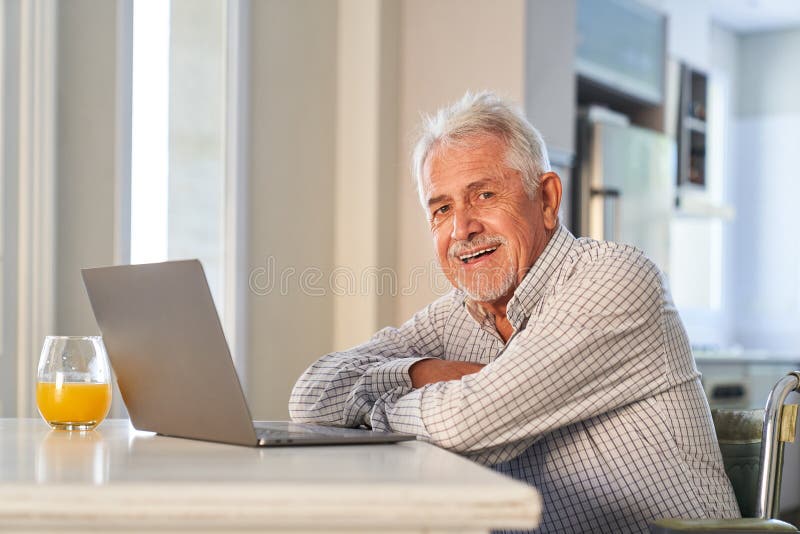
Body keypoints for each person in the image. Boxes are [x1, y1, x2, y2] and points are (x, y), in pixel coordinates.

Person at [289, 91, 739, 533]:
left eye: (483, 195)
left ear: (545, 199)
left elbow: (464, 422)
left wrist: (374, 407)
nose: (462, 227)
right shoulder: (454, 317)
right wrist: (426, 372)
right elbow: (309, 398)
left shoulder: (615, 277)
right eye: (442, 208)